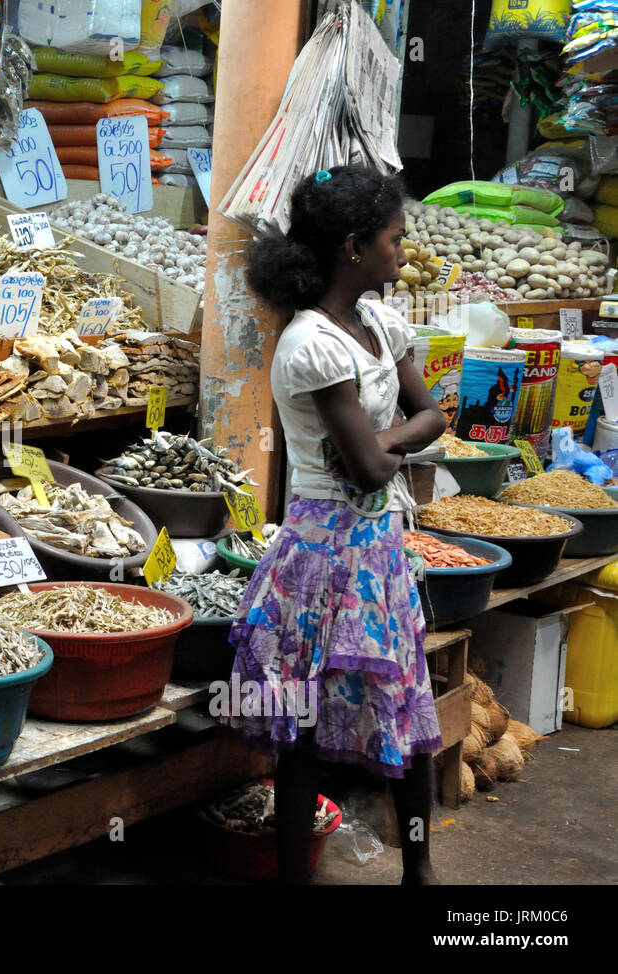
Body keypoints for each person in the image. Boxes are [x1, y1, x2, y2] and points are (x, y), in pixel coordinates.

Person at [231, 165, 449, 884]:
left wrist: (375, 442)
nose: (402, 250)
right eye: (393, 238)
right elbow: (372, 469)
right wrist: (384, 447)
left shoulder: (382, 323)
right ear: (354, 246)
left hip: (378, 553)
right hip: (321, 560)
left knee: (404, 713)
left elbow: (431, 418)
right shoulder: (311, 345)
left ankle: (419, 870)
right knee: (301, 739)